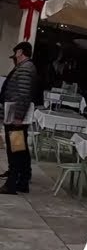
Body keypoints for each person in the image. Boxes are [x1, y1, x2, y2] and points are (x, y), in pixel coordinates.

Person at [1, 42, 38, 194]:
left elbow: (23, 94)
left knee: (16, 150)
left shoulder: (25, 69)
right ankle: (22, 181)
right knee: (18, 149)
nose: (14, 55)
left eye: (15, 52)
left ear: (20, 52)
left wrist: (17, 117)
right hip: (14, 114)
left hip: (16, 117)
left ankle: (13, 184)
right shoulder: (24, 68)